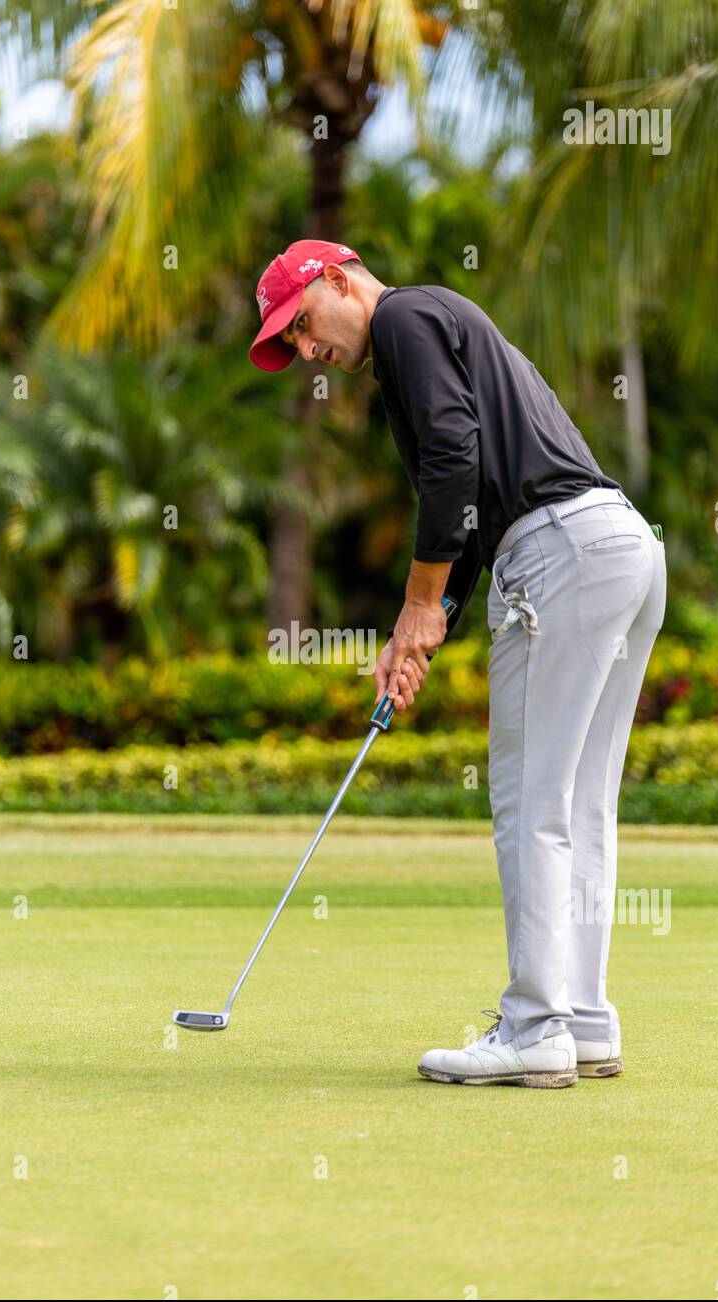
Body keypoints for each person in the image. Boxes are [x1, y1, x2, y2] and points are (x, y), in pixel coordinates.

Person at [248, 239, 666, 1089]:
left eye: (300, 326)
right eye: (290, 344)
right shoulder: (433, 324)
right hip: (618, 547)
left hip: (559, 555)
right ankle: (581, 1021)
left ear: (335, 279)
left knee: (527, 801)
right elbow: (469, 507)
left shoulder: (402, 316)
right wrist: (428, 626)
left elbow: (450, 460)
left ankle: (535, 1026)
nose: (306, 350)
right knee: (579, 801)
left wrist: (412, 607)